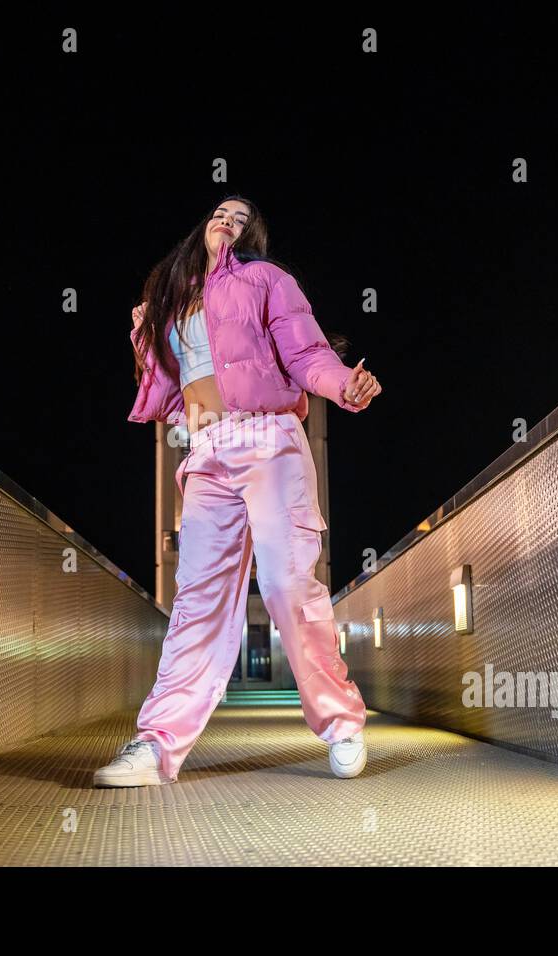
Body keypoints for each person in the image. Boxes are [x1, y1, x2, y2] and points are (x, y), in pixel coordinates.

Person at [94, 195, 382, 787]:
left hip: (268, 438)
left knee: (285, 583)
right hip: (207, 450)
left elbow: (306, 353)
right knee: (196, 597)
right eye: (221, 212)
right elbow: (171, 395)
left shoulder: (265, 280)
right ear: (203, 226)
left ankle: (341, 722)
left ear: (253, 239)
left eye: (242, 218)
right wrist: (144, 340)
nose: (228, 219)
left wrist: (342, 388)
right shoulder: (170, 303)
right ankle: (158, 744)